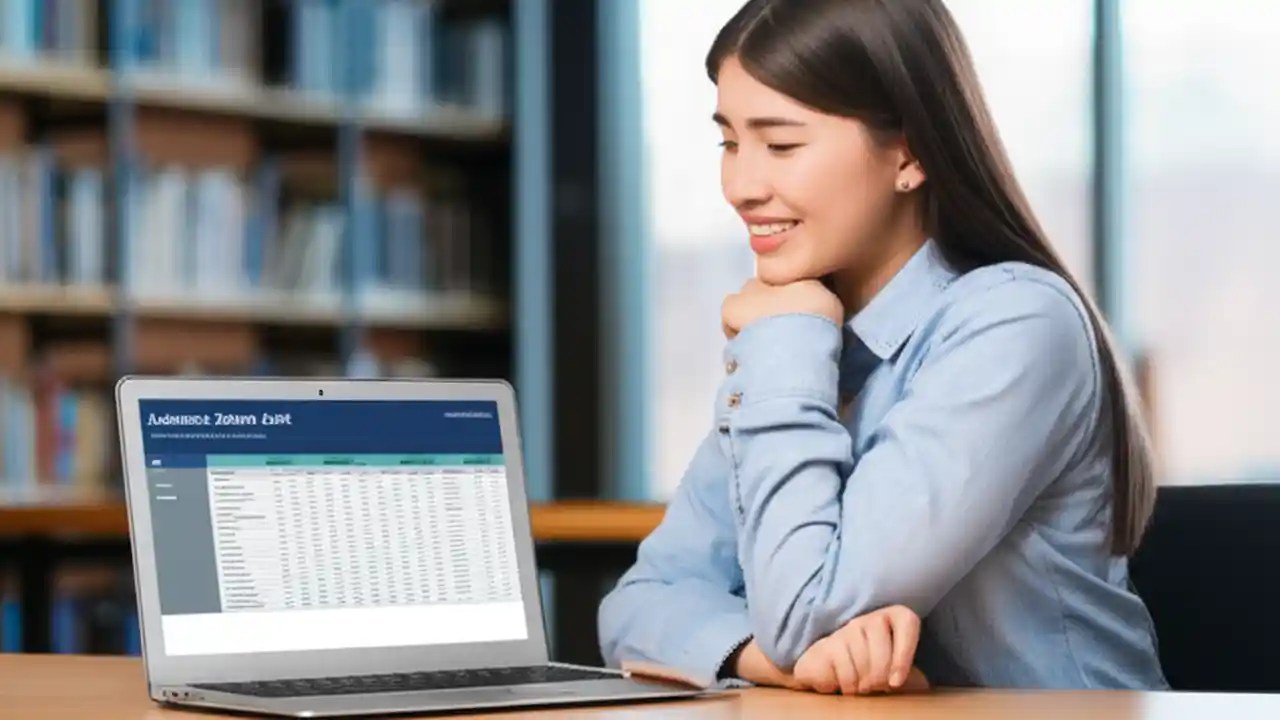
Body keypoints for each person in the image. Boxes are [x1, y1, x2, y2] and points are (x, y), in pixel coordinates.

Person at [597, 0, 1168, 695]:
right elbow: (639, 603)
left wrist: (784, 339)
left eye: (780, 145)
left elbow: (808, 608)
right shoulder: (804, 332)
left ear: (909, 151)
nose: (741, 186)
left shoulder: (1014, 326)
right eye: (729, 143)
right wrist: (775, 659)